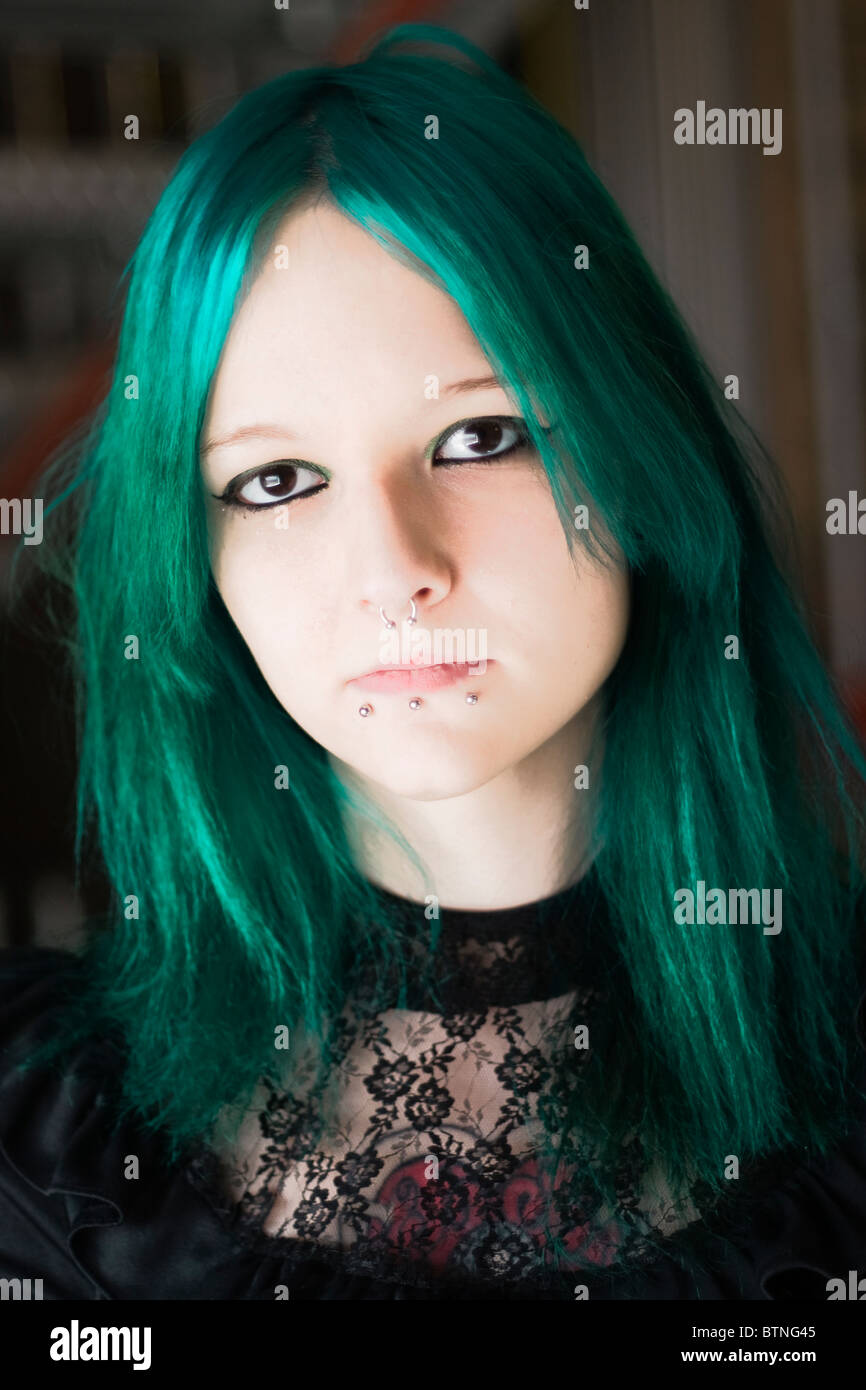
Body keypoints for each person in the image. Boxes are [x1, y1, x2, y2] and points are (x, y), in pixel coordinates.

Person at [1, 23, 865, 1302]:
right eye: (276, 479)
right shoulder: (37, 1148)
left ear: (634, 457)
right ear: (194, 563)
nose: (390, 566)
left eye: (479, 435)